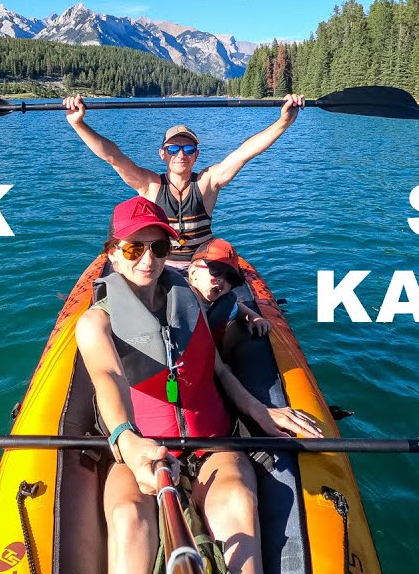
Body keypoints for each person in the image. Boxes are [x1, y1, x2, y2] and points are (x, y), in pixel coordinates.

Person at [76, 196, 322, 574]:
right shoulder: (96, 323)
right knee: (127, 516)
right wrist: (127, 440)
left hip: (212, 444)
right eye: (133, 248)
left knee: (238, 501)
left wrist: (261, 410)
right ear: (111, 253)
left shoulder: (187, 299)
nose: (147, 259)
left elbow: (218, 370)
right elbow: (107, 376)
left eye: (158, 248)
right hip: (143, 447)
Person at [63, 93, 306, 268]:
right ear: (162, 154)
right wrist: (79, 124)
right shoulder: (149, 185)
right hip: (160, 267)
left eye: (189, 149)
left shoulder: (207, 183)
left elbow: (244, 153)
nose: (181, 155)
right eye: (173, 149)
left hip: (199, 267)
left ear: (196, 155)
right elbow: (113, 157)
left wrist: (284, 121)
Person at [187, 238, 271, 355]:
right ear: (193, 273)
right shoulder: (175, 301)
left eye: (230, 278)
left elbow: (236, 309)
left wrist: (254, 317)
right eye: (216, 271)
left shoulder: (221, 305)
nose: (222, 280)